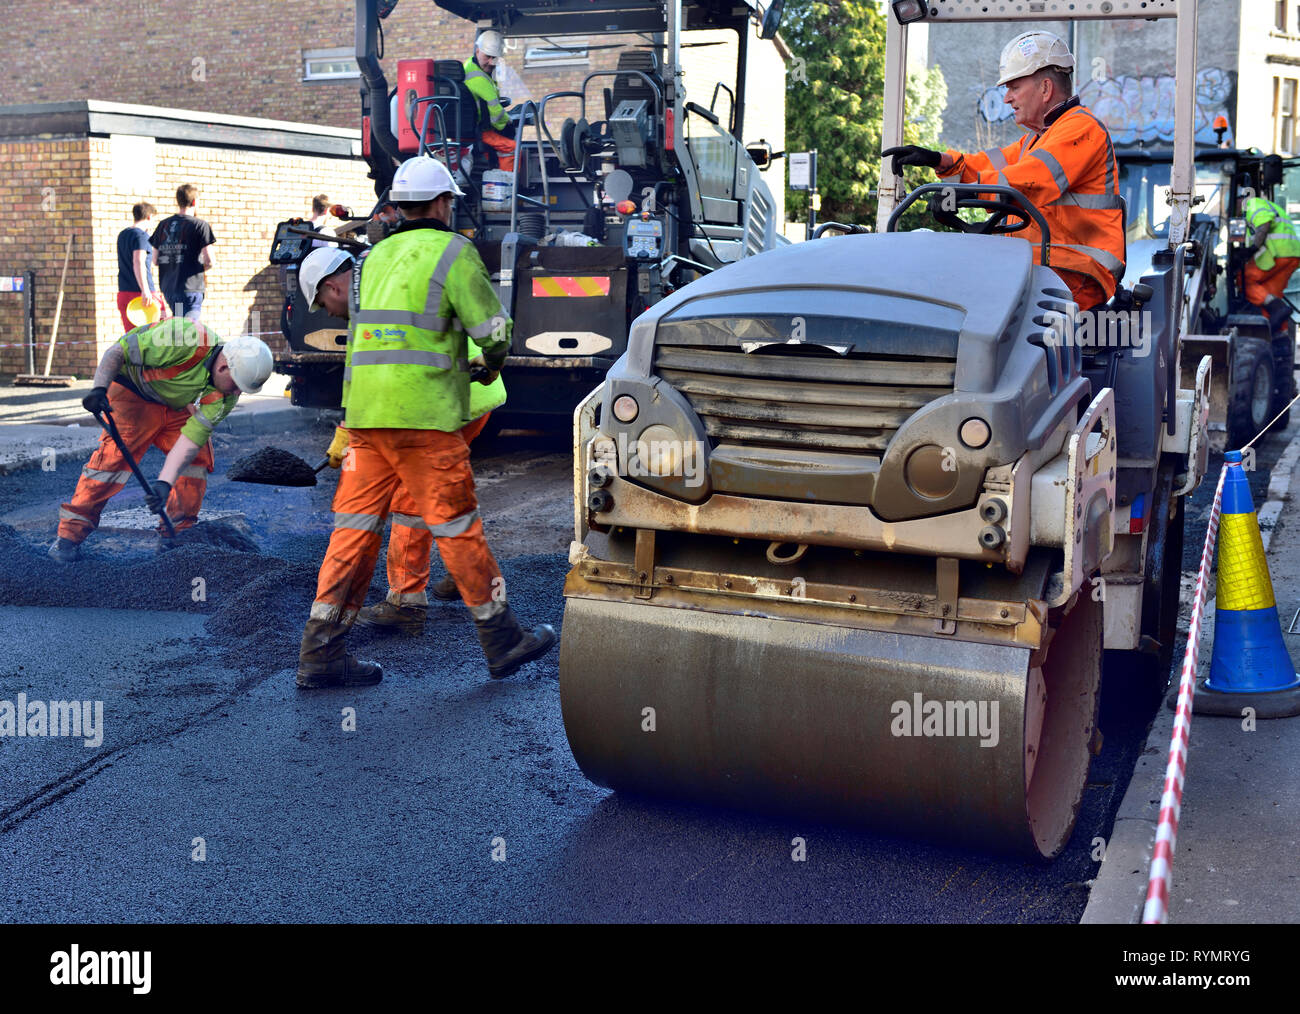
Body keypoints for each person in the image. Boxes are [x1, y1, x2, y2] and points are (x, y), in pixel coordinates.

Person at [295, 155, 553, 689]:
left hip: (368, 420)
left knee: (352, 533)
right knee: (456, 526)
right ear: (442, 203)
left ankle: (321, 652)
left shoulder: (367, 263)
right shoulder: (453, 253)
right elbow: (494, 331)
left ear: (396, 207)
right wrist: (492, 363)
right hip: (425, 418)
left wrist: (348, 422)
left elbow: (364, 342)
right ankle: (502, 640)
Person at [297, 245, 506, 635]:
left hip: (446, 397)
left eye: (321, 301)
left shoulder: (371, 299)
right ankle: (466, 578)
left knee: (410, 500)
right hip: (454, 392)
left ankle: (407, 601)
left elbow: (379, 374)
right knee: (436, 498)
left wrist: (351, 431)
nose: (326, 312)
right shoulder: (381, 283)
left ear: (332, 286)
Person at [883, 31, 1124, 312]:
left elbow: (1027, 183)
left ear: (1045, 89)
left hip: (1076, 272)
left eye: (1014, 87)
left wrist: (957, 195)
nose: (1007, 98)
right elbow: (984, 168)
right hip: (1041, 268)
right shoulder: (1036, 140)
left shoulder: (1082, 129)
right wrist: (940, 160)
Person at [48, 322, 273, 562]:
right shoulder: (186, 338)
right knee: (110, 466)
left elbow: (190, 441)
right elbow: (117, 352)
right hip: (131, 394)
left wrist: (164, 483)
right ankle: (68, 538)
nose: (238, 394)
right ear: (224, 367)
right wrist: (98, 389)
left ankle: (176, 538)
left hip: (173, 404)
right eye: (238, 385)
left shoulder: (224, 397)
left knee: (196, 461)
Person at [152, 184, 216, 321]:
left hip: (169, 287)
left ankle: (178, 341)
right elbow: (210, 260)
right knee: (188, 328)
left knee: (179, 324)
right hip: (190, 288)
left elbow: (155, 260)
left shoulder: (163, 225)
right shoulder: (200, 225)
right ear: (194, 202)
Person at [1242, 193, 1300, 335]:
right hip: (1292, 255)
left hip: (1279, 254)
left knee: (1244, 278)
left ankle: (1279, 309)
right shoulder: (1270, 206)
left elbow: (1264, 222)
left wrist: (1252, 249)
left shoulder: (1252, 203)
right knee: (1269, 296)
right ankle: (1280, 336)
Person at [464, 29, 517, 173]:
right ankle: (508, 186)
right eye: (488, 57)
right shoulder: (479, 79)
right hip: (480, 131)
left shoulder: (471, 65)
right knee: (511, 147)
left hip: (476, 129)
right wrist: (508, 123)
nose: (491, 62)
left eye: (495, 58)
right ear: (477, 51)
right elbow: (496, 112)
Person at [115, 202, 170, 331]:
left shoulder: (123, 235)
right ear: (149, 217)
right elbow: (138, 261)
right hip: (142, 295)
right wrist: (145, 290)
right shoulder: (142, 236)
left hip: (124, 292)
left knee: (132, 336)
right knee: (159, 332)